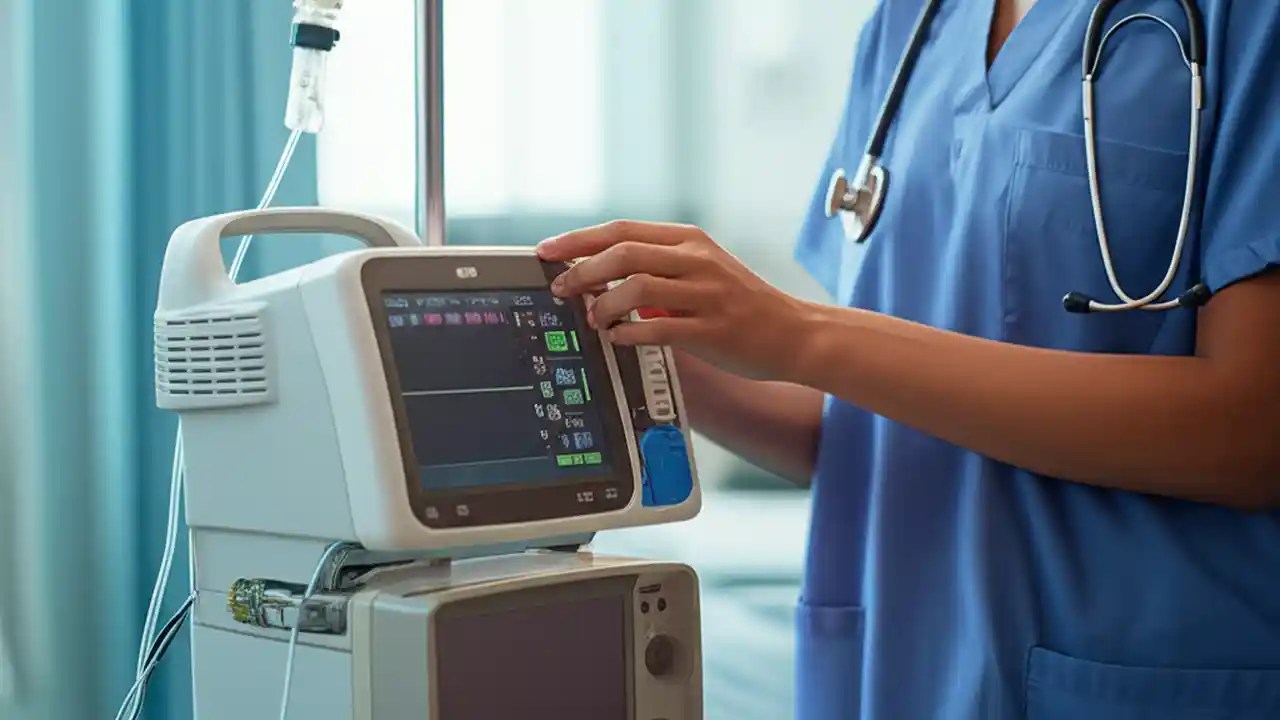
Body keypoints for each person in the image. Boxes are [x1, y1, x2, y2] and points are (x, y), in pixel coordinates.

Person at [537, 0, 1280, 718]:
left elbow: (1252, 432)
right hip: (896, 674)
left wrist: (800, 334)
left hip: (1145, 669)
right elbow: (871, 426)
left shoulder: (1243, 20)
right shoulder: (911, 23)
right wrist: (660, 360)